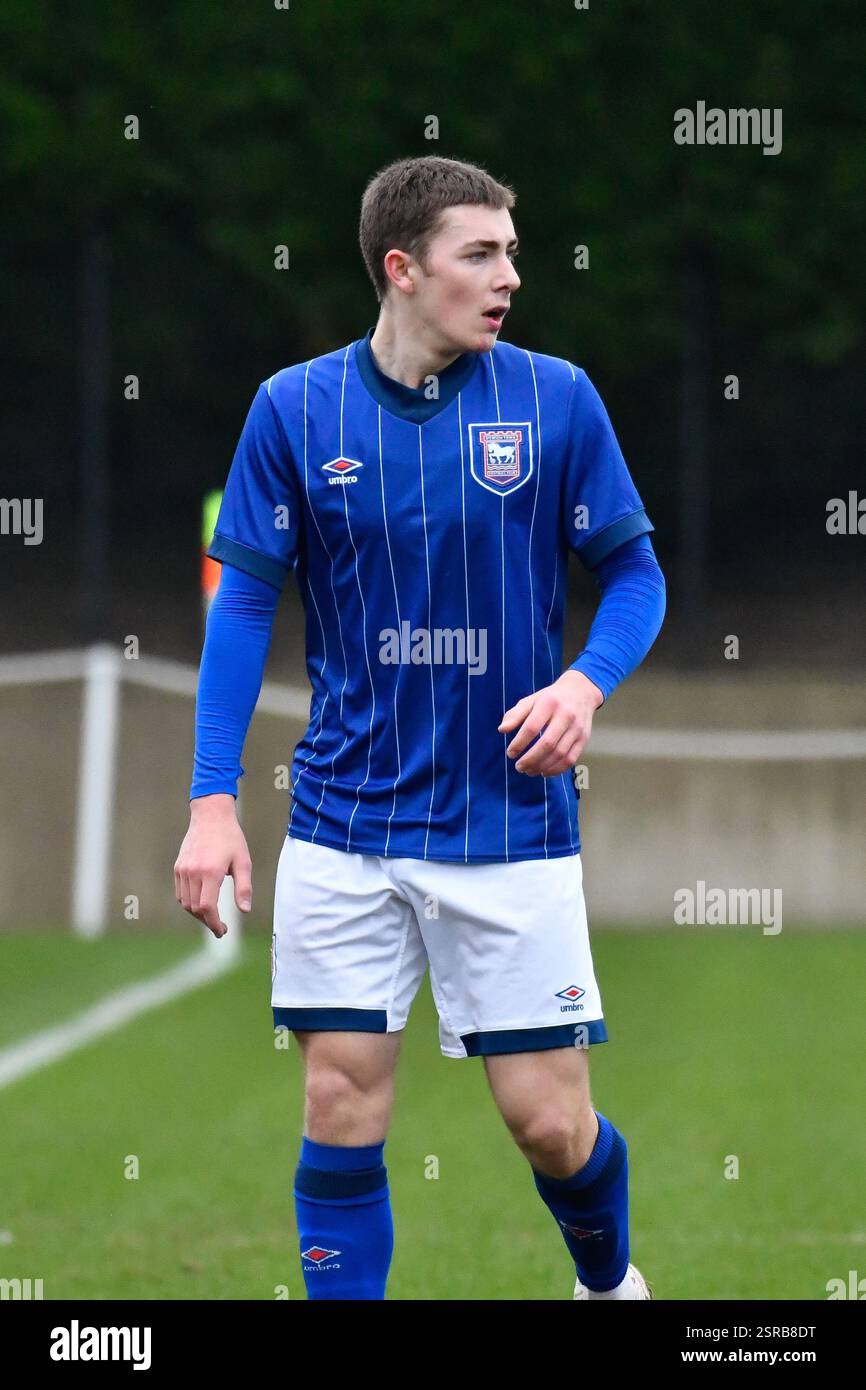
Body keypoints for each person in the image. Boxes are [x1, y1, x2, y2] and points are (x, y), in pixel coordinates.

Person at [174, 155, 666, 1301]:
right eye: (479, 254)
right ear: (402, 270)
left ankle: (607, 1286)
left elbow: (632, 573)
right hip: (345, 818)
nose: (509, 277)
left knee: (547, 1124)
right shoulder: (295, 408)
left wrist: (583, 684)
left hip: (509, 823)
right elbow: (245, 600)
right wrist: (211, 798)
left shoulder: (557, 399)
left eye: (510, 252)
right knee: (338, 1100)